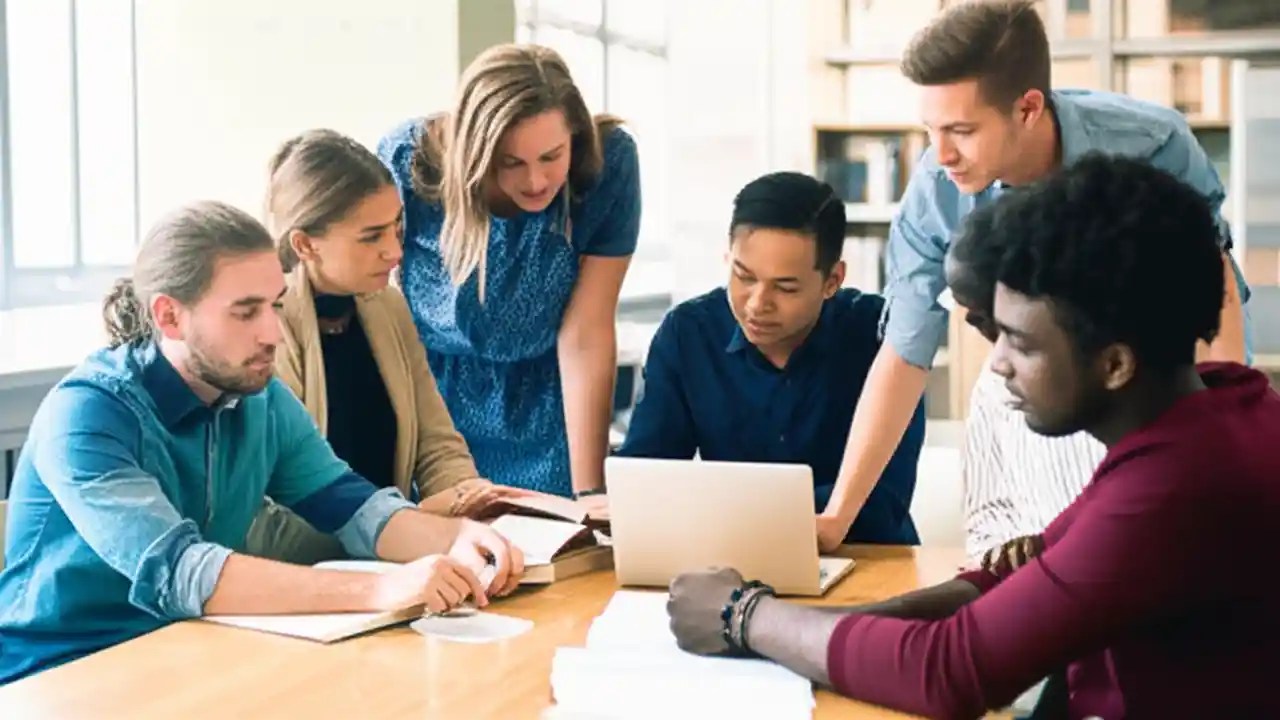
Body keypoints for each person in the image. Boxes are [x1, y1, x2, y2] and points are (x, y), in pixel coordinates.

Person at [667, 154, 1280, 718]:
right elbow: (1002, 583)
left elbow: (951, 671)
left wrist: (744, 616)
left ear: (1115, 364)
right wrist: (800, 625)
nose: (1000, 365)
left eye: (1021, 341)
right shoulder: (1220, 403)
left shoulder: (1177, 486)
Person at [0, 202, 524, 685]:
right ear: (168, 316)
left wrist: (453, 540)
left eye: (276, 305)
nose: (273, 332)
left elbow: (355, 508)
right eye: (246, 312)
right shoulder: (88, 414)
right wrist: (384, 588)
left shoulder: (260, 399)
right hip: (57, 675)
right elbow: (181, 573)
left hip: (186, 654)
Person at [814, 0, 1252, 552]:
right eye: (930, 129)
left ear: (1027, 109)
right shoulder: (934, 190)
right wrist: (836, 517)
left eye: (961, 129)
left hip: (1161, 388)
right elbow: (905, 352)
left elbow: (1212, 301)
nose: (941, 153)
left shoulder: (1151, 146)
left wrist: (1218, 455)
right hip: (1044, 395)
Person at [376, 44, 640, 505]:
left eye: (551, 157)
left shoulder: (608, 164)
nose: (536, 181)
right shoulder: (409, 159)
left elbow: (585, 332)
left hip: (548, 410)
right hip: (433, 408)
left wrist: (591, 494)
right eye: (510, 163)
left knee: (557, 551)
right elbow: (375, 301)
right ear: (473, 154)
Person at [247, 129, 525, 565]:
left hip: (397, 562)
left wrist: (473, 509)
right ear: (305, 244)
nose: (394, 252)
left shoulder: (388, 306)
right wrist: (417, 523)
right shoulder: (264, 329)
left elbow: (438, 445)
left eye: (397, 229)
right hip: (310, 574)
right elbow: (276, 513)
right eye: (371, 236)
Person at [617, 172, 924, 544]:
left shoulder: (883, 339)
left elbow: (883, 505)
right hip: (733, 559)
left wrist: (726, 513)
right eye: (743, 276)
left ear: (833, 280)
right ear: (728, 256)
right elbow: (646, 481)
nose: (757, 303)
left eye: (785, 287)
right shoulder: (688, 334)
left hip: (867, 558)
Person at [945, 222, 1104, 563]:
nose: (998, 357)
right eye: (977, 320)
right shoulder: (992, 385)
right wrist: (1006, 555)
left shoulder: (1117, 394)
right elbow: (985, 517)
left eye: (1007, 328)